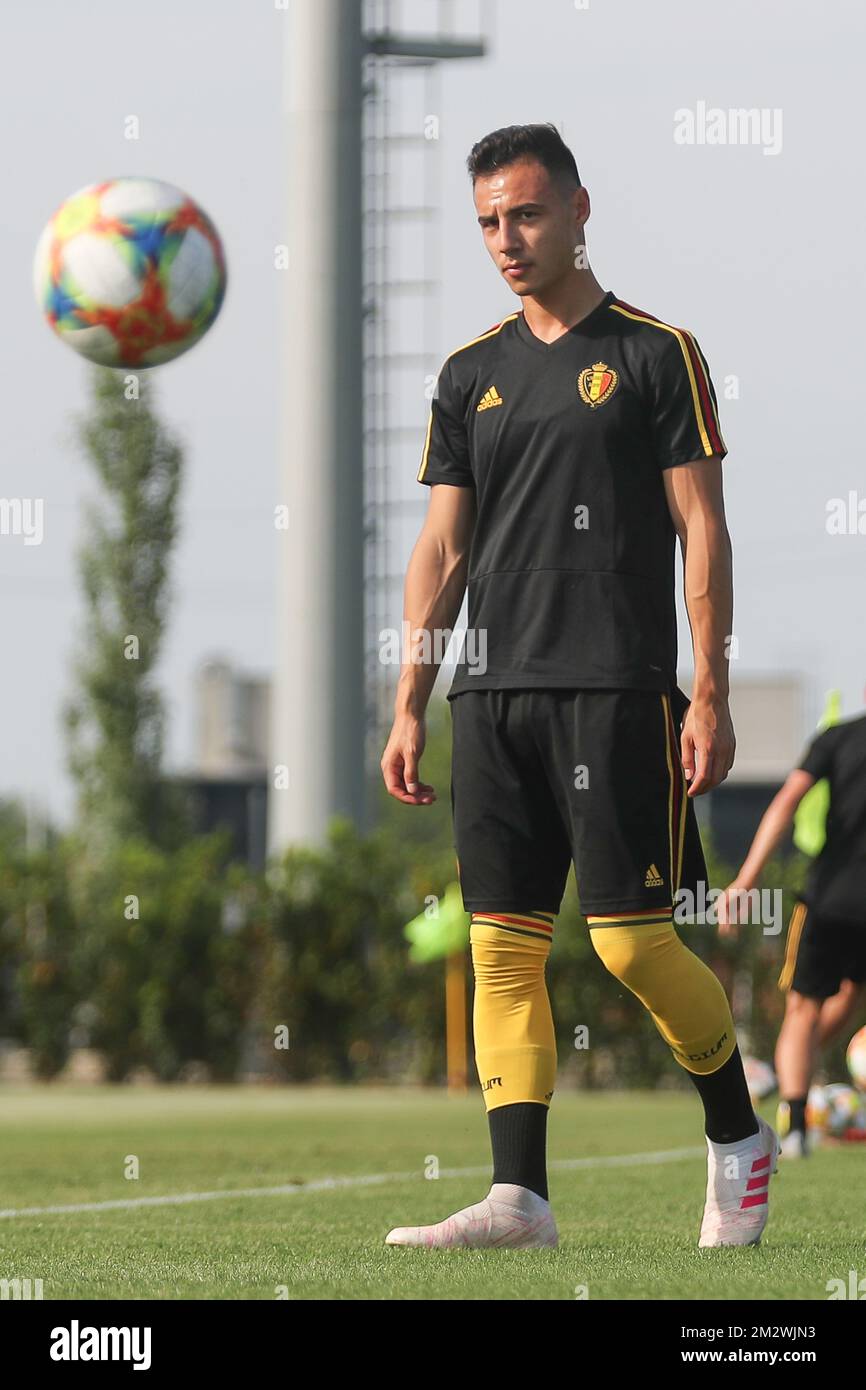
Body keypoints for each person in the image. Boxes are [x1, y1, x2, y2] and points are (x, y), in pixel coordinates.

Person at [380, 122, 778, 1250]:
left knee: (628, 944)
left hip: (616, 690)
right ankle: (517, 1199)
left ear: (578, 208)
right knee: (498, 949)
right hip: (488, 695)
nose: (505, 239)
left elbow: (702, 529)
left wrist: (710, 687)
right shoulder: (468, 374)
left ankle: (738, 1137)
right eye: (487, 223)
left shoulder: (656, 354)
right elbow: (440, 551)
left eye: (525, 214)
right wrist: (410, 698)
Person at [719, 691, 866, 1157]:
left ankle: (795, 1119)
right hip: (837, 897)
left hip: (829, 898)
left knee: (807, 1008)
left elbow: (785, 802)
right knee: (844, 1000)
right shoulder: (837, 737)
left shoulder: (838, 737)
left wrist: (747, 877)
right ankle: (795, 1104)